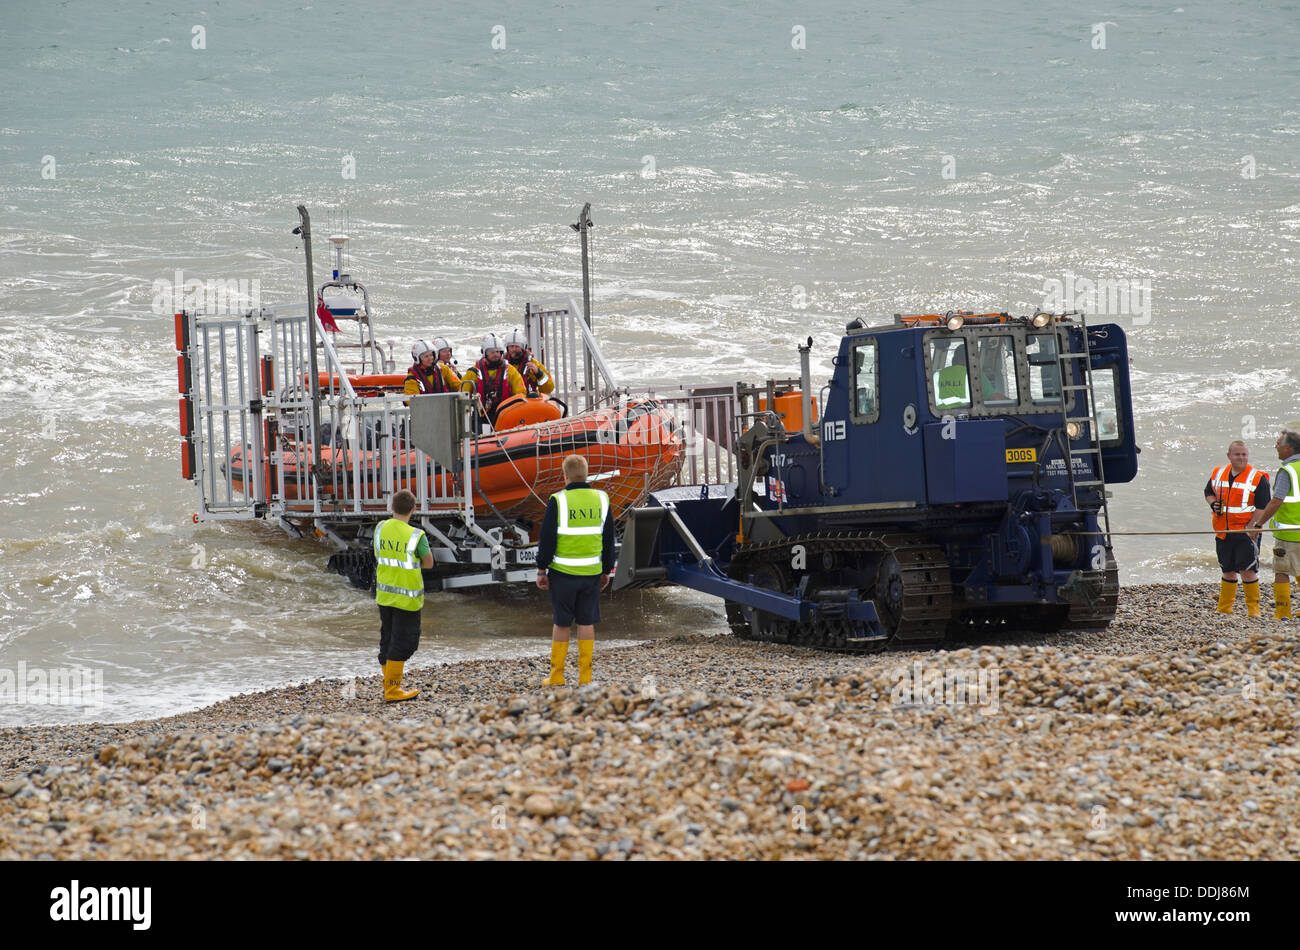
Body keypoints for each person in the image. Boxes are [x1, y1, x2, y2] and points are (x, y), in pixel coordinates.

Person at [535, 454, 616, 686]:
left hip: (562, 573)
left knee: (561, 623)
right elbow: (609, 538)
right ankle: (585, 677)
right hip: (591, 572)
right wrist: (607, 570)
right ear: (587, 473)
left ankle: (557, 676)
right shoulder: (602, 499)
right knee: (586, 622)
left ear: (565, 475)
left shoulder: (558, 500)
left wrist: (542, 569)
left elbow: (547, 538)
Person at [374, 489, 433, 702]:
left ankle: (389, 685)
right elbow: (429, 563)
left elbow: (378, 554)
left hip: (384, 595)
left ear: (392, 507)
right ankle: (392, 691)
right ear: (414, 510)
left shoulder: (380, 528)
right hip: (407, 599)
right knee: (405, 643)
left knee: (388, 639)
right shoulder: (417, 535)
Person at [1204, 440, 1269, 616]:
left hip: (1246, 533)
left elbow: (1263, 506)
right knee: (1227, 570)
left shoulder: (1258, 477)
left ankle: (1253, 609)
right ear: (1229, 456)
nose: (1241, 458)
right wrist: (1213, 504)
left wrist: (1252, 528)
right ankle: (1225, 608)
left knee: (1248, 571)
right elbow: (1208, 492)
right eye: (1237, 454)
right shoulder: (1219, 472)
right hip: (1223, 532)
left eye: (1244, 454)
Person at [1246, 423, 1300, 619]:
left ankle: (1283, 613)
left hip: (1289, 533)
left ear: (1289, 448)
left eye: (1278, 443)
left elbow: (1276, 501)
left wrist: (1258, 524)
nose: (1276, 447)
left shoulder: (1287, 472)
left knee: (1282, 571)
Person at [459, 333, 525, 424]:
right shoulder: (473, 373)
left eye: (498, 352)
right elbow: (462, 395)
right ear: (485, 353)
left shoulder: (511, 371)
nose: (496, 354)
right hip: (482, 416)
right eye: (492, 352)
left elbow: (521, 393)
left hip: (505, 414)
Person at [503, 328, 555, 395]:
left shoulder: (533, 364)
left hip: (529, 402)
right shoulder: (502, 365)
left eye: (517, 346)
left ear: (523, 347)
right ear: (507, 348)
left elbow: (548, 389)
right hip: (508, 403)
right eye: (511, 346)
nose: (514, 349)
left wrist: (539, 373)